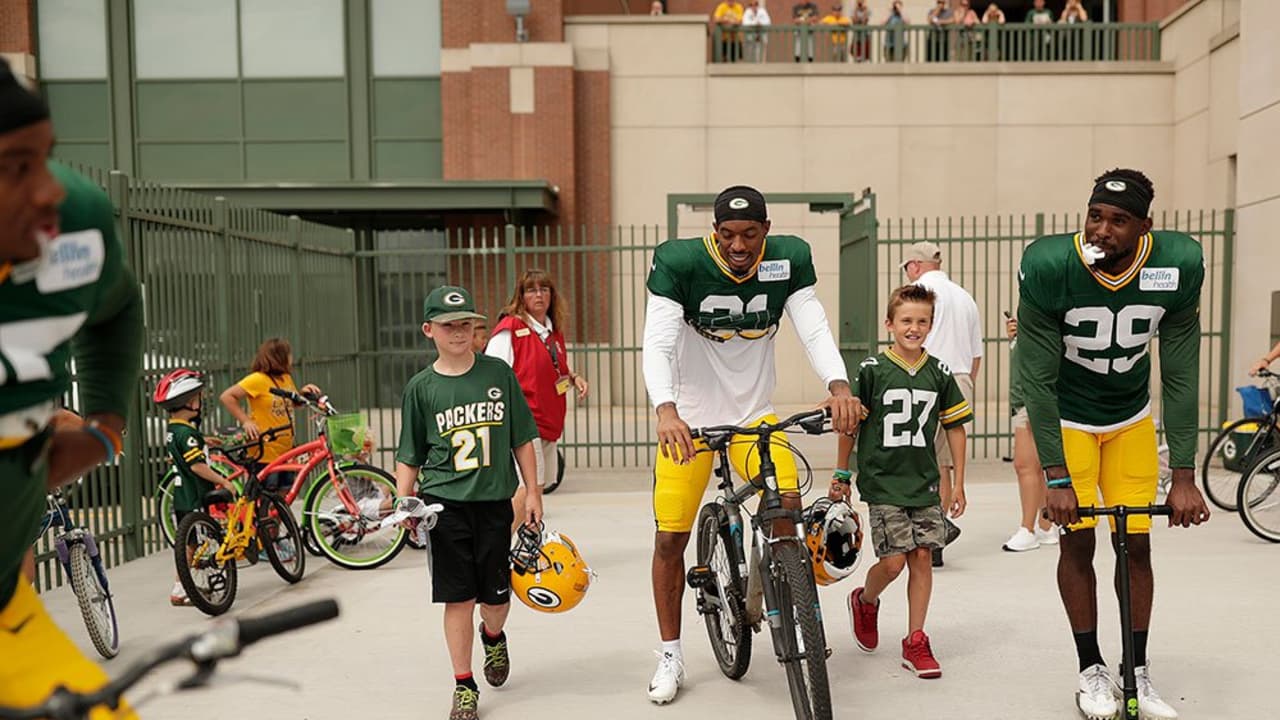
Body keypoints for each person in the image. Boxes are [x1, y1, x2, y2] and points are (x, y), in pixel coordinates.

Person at [641, 185, 860, 705]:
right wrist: (666, 408)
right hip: (689, 421)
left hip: (753, 414)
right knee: (670, 539)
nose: (739, 245)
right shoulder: (680, 262)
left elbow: (814, 329)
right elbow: (659, 341)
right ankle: (670, 651)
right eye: (728, 234)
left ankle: (797, 608)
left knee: (788, 505)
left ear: (766, 230)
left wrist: (839, 384)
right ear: (714, 233)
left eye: (750, 234)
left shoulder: (789, 257)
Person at [1019, 168, 1211, 720]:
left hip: (1130, 417)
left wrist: (1183, 475)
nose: (1102, 230)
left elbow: (1178, 373)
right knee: (1077, 544)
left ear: (1145, 227)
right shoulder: (1051, 266)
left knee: (1136, 544)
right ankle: (1091, 669)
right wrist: (1055, 476)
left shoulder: (1175, 265)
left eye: (1118, 221)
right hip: (1071, 420)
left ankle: (1137, 671)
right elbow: (1037, 378)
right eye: (1095, 216)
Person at [0, 60, 145, 718]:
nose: (49, 191)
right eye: (14, 167)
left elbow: (117, 307)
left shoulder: (76, 227)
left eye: (46, 158)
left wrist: (106, 426)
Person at [394, 285, 541, 720]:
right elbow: (410, 454)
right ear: (429, 330)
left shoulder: (497, 374)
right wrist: (405, 501)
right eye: (448, 325)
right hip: (444, 507)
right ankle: (464, 685)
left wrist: (532, 491)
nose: (459, 332)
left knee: (495, 600)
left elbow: (522, 438)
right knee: (457, 597)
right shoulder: (421, 388)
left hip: (495, 502)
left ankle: (493, 637)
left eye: (466, 324)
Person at [836, 285, 971, 679]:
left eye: (922, 321)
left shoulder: (940, 372)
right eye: (906, 321)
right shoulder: (872, 370)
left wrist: (959, 482)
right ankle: (865, 599)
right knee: (893, 563)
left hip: (924, 482)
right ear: (890, 323)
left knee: (923, 557)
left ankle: (915, 639)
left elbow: (956, 427)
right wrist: (842, 472)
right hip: (883, 480)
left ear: (931, 324)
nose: (914, 328)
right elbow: (850, 424)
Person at [486, 269, 588, 526]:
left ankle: (524, 548)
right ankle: (500, 549)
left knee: (538, 489)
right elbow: (492, 376)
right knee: (529, 490)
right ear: (520, 296)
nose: (539, 294)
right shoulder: (511, 329)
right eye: (531, 289)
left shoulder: (552, 332)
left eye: (544, 289)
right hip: (524, 426)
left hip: (548, 423)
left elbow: (554, 369)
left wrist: (574, 378)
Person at [902, 241, 982, 566]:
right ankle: (936, 541)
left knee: (917, 459)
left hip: (924, 377)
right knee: (944, 464)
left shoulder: (915, 293)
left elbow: (909, 341)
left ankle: (922, 531)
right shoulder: (965, 297)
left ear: (915, 266)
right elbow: (976, 355)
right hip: (960, 379)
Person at [154, 369, 239, 606]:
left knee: (190, 545)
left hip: (182, 497)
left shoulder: (174, 430)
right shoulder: (188, 434)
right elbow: (197, 467)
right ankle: (180, 588)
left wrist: (204, 441)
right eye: (199, 398)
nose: (200, 402)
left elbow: (185, 448)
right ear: (190, 402)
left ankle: (181, 586)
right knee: (191, 546)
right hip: (193, 497)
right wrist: (223, 481)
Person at [219, 338, 321, 491]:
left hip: (286, 451)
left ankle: (276, 516)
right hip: (265, 451)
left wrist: (303, 394)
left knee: (285, 493)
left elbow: (289, 403)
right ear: (279, 356)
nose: (291, 358)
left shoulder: (285, 378)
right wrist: (246, 421)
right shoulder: (257, 379)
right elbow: (227, 396)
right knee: (266, 494)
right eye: (289, 354)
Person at [1001, 312, 1059, 552]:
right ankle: (1046, 525)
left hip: (1033, 399)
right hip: (1026, 398)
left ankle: (1028, 528)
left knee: (1025, 465)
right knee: (1037, 466)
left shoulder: (1044, 320)